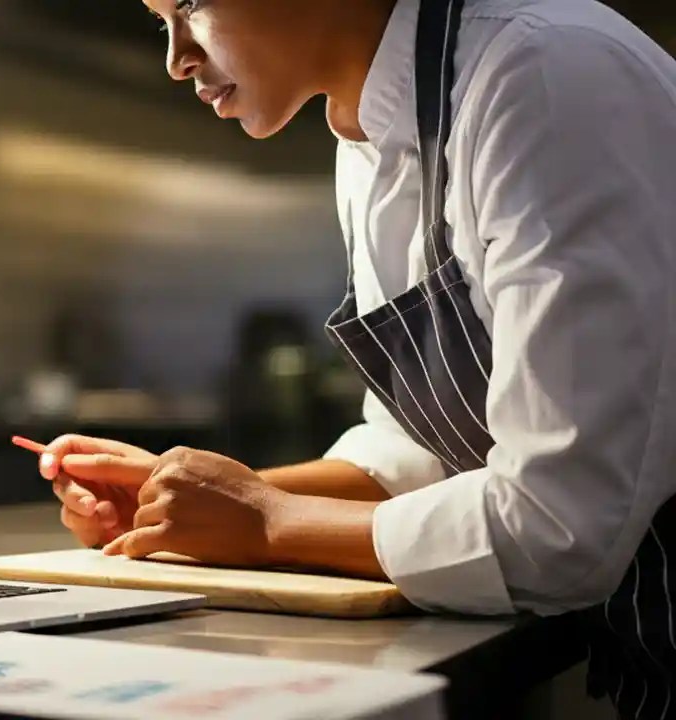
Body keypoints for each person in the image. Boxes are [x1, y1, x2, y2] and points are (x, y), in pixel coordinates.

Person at [34, 1, 676, 717]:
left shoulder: (546, 74)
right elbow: (420, 452)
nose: (177, 57)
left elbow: (562, 526)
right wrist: (187, 505)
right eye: (160, 21)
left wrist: (270, 523)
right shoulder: (367, 135)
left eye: (188, 4)